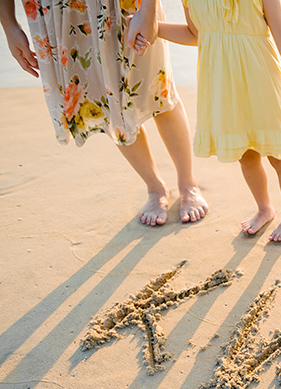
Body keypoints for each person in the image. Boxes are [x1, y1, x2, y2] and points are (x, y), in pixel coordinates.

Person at [0, 0, 208, 227]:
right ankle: (155, 187)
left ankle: (187, 182)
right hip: (62, 13)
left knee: (158, 88)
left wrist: (148, 10)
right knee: (108, 102)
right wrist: (9, 26)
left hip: (122, 5)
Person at [143, 0, 281, 241]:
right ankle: (264, 208)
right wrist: (155, 28)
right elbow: (195, 34)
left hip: (261, 82)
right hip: (224, 87)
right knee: (246, 156)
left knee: (280, 156)